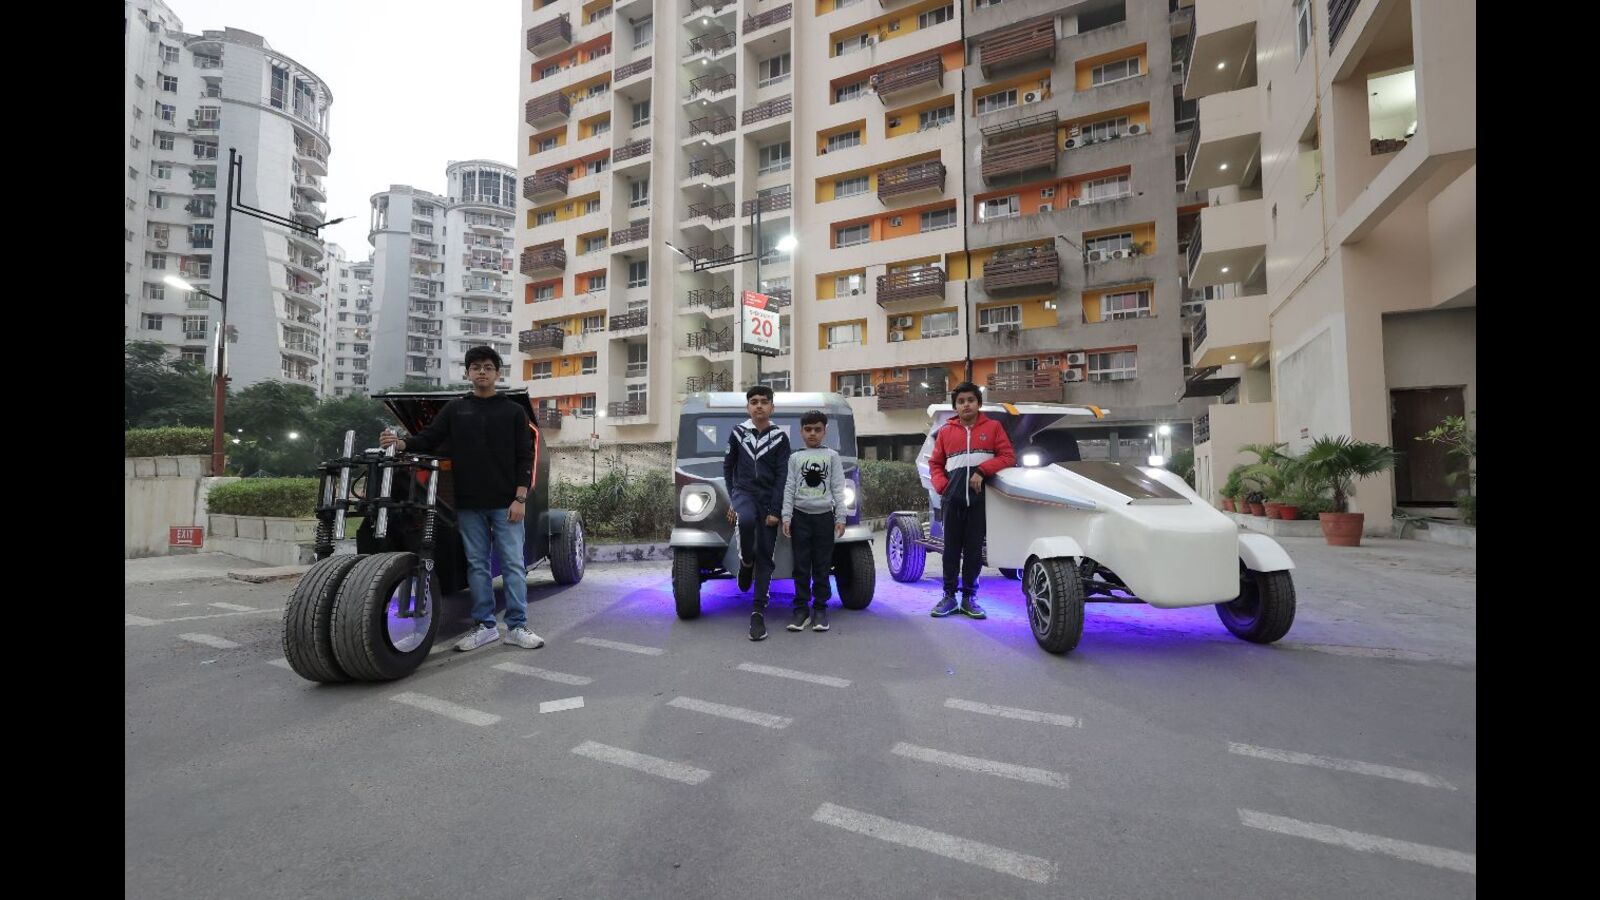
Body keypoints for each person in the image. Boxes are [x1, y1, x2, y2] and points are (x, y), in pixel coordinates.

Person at [379, 347, 544, 652]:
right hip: (468, 503)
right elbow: (428, 439)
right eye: (476, 367)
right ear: (468, 373)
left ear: (497, 373)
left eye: (488, 367)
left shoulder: (513, 412)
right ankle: (485, 626)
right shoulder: (456, 410)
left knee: (513, 564)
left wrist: (520, 498)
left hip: (506, 503)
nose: (482, 371)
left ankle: (517, 626)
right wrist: (400, 443)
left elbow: (525, 455)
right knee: (477, 566)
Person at [927, 381, 1015, 620]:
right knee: (950, 551)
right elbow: (935, 464)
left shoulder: (993, 427)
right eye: (961, 401)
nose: (966, 405)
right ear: (955, 407)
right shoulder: (946, 431)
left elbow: (1008, 456)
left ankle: (969, 598)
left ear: (979, 403)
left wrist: (982, 471)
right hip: (952, 501)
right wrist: (942, 486)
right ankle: (948, 596)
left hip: (980, 502)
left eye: (971, 400)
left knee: (974, 551)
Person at [723, 385, 790, 641]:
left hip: (768, 499)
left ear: (772, 407)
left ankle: (758, 611)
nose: (759, 405)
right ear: (748, 407)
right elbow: (728, 467)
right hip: (743, 493)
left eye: (764, 401)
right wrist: (733, 498)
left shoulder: (780, 438)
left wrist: (775, 510)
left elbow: (783, 476)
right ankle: (746, 562)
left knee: (766, 555)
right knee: (747, 520)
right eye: (754, 401)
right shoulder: (738, 433)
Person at [781, 410, 847, 633]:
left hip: (824, 518)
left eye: (817, 429)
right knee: (800, 566)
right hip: (799, 517)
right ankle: (800, 610)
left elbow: (838, 487)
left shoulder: (832, 456)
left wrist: (840, 516)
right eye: (808, 429)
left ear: (824, 431)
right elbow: (789, 487)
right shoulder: (795, 458)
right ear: (801, 431)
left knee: (822, 565)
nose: (812, 433)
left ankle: (820, 609)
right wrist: (786, 516)